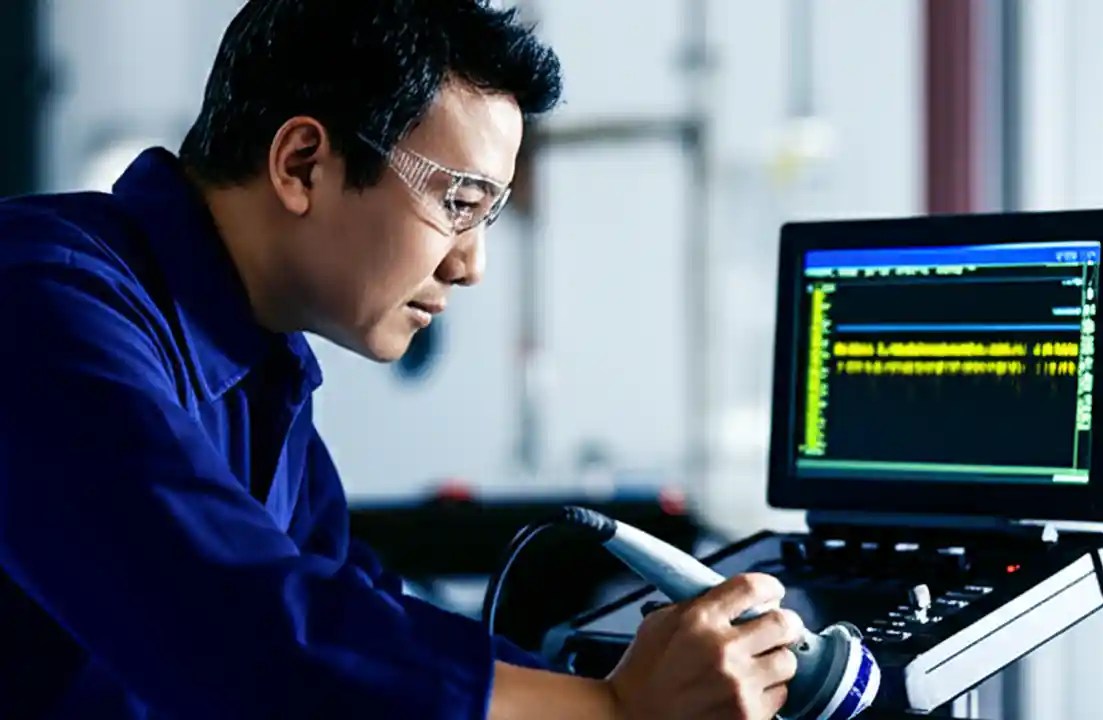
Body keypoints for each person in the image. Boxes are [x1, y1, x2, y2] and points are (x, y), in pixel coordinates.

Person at [0, 1, 803, 718]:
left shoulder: (258, 366)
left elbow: (349, 606)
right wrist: (613, 712)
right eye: (459, 204)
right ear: (302, 164)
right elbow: (233, 633)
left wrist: (610, 686)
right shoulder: (37, 302)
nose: (471, 264)